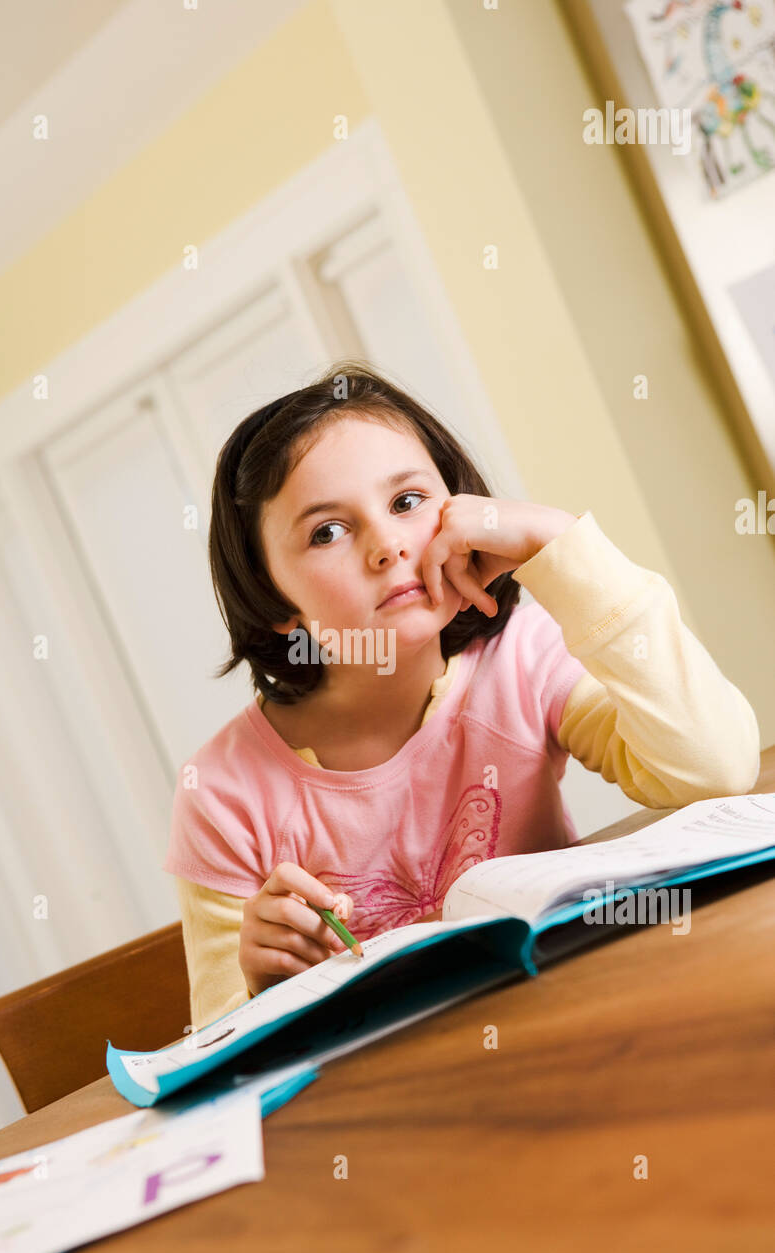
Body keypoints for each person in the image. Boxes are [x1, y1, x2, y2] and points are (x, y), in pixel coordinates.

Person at [163, 360, 760, 1031]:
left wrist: (559, 545)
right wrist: (264, 988)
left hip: (583, 1018)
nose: (387, 545)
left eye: (407, 502)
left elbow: (714, 770)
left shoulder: (520, 657)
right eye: (327, 531)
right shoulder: (223, 792)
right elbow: (216, 1045)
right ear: (274, 600)